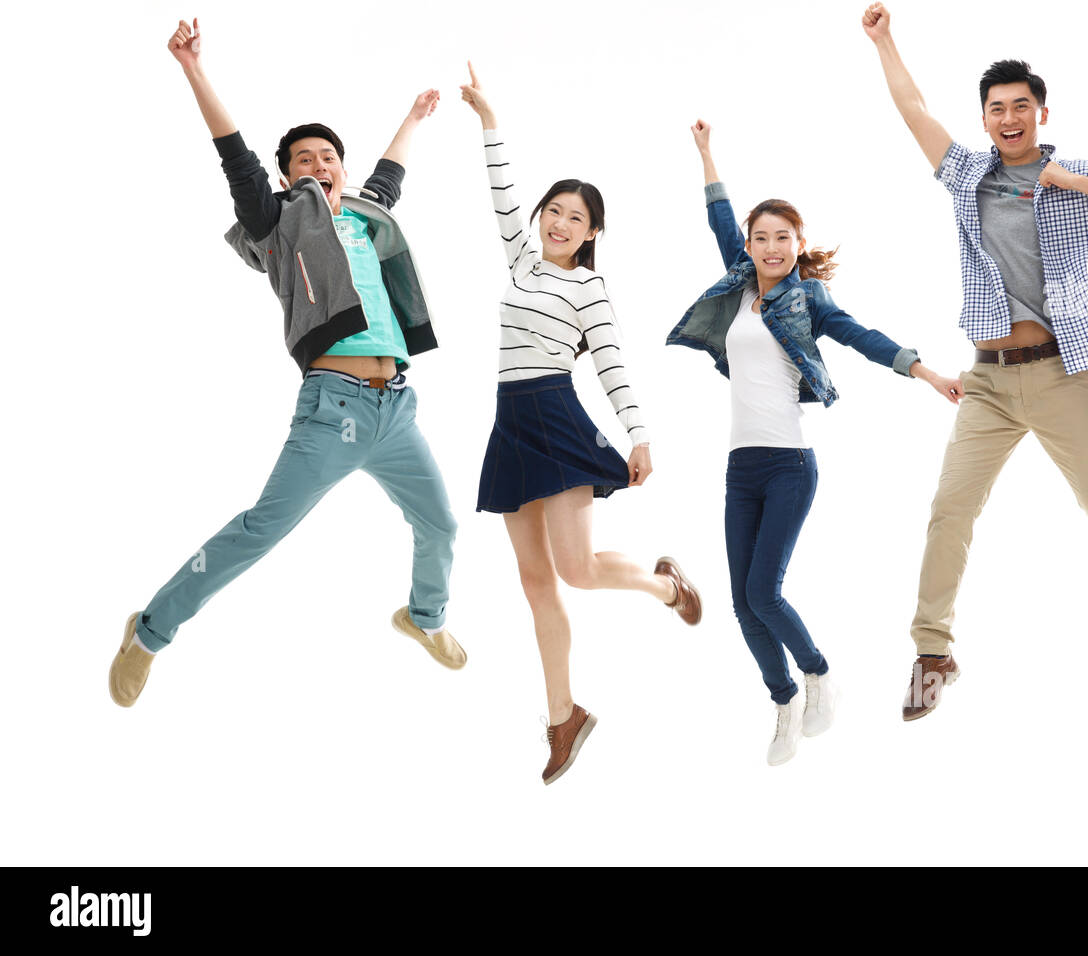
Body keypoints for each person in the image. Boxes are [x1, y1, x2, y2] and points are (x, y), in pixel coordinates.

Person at [109, 18, 464, 708]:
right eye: (304, 160)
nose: (319, 165)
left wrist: (414, 117)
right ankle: (149, 631)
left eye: (328, 157)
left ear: (343, 167)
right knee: (259, 531)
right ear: (287, 175)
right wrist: (193, 68)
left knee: (441, 524)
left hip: (396, 407)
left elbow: (389, 176)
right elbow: (234, 157)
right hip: (334, 408)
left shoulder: (364, 215)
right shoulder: (278, 223)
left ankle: (424, 619)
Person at [860, 3, 1088, 720]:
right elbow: (911, 106)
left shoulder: (1077, 177)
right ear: (984, 120)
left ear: (1042, 112)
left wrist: (1075, 183)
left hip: (1058, 374)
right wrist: (886, 40)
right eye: (995, 109)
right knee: (949, 510)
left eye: (1020, 106)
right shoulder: (966, 176)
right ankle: (932, 652)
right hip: (985, 380)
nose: (1008, 118)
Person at [670, 121, 963, 765]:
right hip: (739, 468)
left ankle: (819, 674)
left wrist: (927, 371)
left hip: (788, 468)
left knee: (764, 593)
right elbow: (720, 218)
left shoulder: (810, 302)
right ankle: (783, 702)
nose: (770, 247)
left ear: (798, 245)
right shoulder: (739, 285)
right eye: (760, 237)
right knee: (742, 605)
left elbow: (865, 336)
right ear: (749, 245)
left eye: (782, 238)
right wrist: (707, 153)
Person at [460, 64, 702, 785]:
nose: (558, 222)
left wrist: (639, 433)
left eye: (575, 217)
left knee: (576, 570)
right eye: (553, 211)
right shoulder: (524, 266)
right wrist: (488, 118)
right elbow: (501, 195)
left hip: (558, 419)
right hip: (509, 423)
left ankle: (666, 585)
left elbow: (613, 366)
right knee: (536, 584)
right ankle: (563, 716)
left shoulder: (587, 286)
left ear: (593, 232)